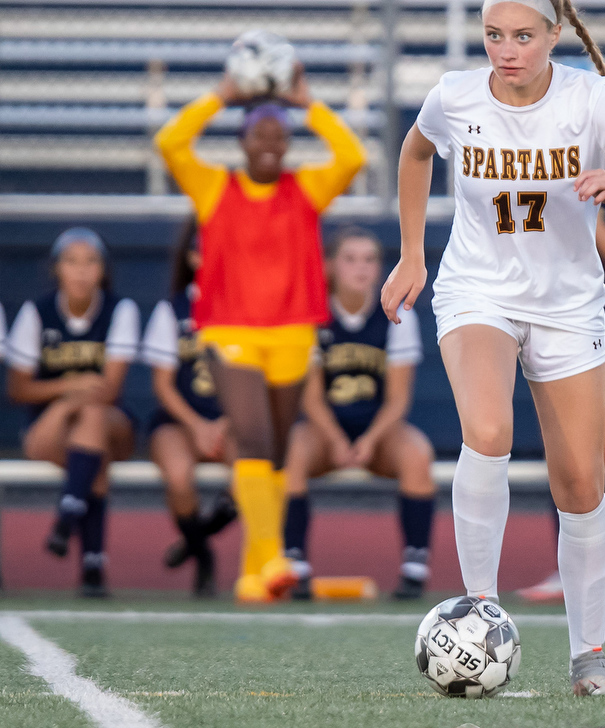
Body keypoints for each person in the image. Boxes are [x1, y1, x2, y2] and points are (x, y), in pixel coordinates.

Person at [381, 0, 605, 695]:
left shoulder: (591, 100)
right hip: (476, 291)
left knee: (581, 483)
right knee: (488, 430)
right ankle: (479, 610)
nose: (508, 50)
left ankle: (589, 657)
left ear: (554, 36)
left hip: (568, 305)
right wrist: (411, 254)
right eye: (495, 35)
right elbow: (414, 151)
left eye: (523, 36)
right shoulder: (456, 95)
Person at [155, 63, 366, 603]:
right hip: (231, 330)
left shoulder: (307, 189)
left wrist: (307, 104)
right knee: (252, 437)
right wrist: (221, 94)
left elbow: (352, 157)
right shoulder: (214, 187)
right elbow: (171, 142)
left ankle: (254, 573)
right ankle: (273, 555)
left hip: (293, 332)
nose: (271, 143)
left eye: (280, 135)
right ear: (243, 141)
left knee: (271, 452)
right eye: (260, 134)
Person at [517, 157, 605, 603]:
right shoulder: (542, 162)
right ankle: (569, 565)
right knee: (566, 450)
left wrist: (574, 205)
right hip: (555, 316)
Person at [283, 226, 435, 600]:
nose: (361, 269)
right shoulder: (312, 313)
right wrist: (336, 439)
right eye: (350, 259)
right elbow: (311, 397)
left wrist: (369, 439)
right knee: (292, 451)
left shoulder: (397, 312)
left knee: (418, 453)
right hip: (325, 428)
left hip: (378, 429)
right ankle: (294, 562)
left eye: (370, 260)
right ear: (331, 266)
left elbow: (398, 399)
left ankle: (415, 565)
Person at [5, 227, 140, 597]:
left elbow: (109, 390)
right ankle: (92, 563)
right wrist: (69, 390)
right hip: (50, 431)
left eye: (90, 262)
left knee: (94, 418)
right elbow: (17, 389)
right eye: (71, 261)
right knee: (92, 447)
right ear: (56, 269)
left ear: (103, 270)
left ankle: (68, 515)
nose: (81, 271)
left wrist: (70, 401)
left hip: (113, 424)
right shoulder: (38, 313)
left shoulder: (119, 309)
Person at [142, 216, 238, 598]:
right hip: (179, 420)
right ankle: (203, 557)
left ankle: (195, 538)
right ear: (195, 257)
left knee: (255, 473)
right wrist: (198, 425)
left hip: (233, 422)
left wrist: (227, 422)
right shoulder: (173, 310)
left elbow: (258, 379)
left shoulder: (247, 308)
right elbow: (163, 385)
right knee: (179, 477)